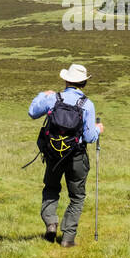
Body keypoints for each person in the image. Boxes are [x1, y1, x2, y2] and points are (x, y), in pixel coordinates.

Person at [28, 63, 103, 247]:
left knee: (51, 189)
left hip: (53, 154)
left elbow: (32, 112)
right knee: (76, 197)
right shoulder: (87, 104)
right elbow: (89, 137)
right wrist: (98, 130)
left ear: (66, 79)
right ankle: (68, 239)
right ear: (84, 82)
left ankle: (51, 223)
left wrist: (42, 94)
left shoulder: (53, 98)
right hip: (76, 156)